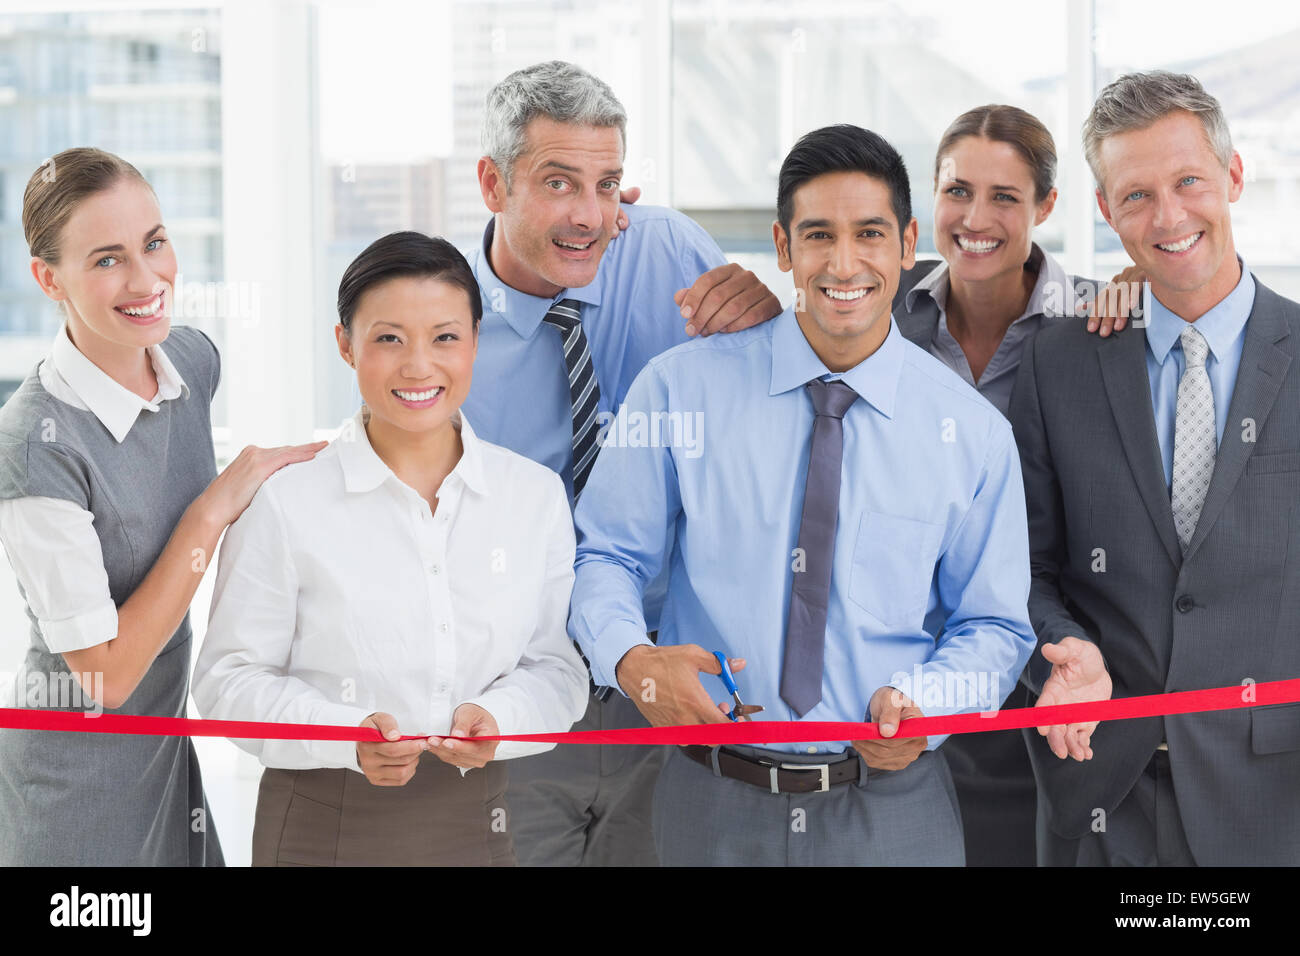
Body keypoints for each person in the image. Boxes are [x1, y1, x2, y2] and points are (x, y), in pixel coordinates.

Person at [568, 123, 1037, 866]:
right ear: (784, 249)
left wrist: (933, 705)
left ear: (907, 242)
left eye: (870, 234)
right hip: (708, 804)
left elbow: (994, 626)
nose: (843, 263)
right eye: (818, 235)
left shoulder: (971, 432)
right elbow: (605, 556)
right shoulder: (678, 389)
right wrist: (631, 658)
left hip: (894, 814)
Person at [463, 60, 781, 866]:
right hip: (517, 697)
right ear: (492, 184)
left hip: (670, 685)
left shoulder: (669, 250)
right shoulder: (441, 316)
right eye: (558, 183)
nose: (590, 216)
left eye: (607, 185)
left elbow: (769, 417)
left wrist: (770, 321)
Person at [192, 231, 588, 867]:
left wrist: (497, 716)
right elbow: (226, 682)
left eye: (445, 337)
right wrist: (344, 735)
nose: (418, 365)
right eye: (388, 338)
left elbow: (558, 670)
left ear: (476, 343)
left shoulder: (533, 498)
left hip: (477, 820)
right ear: (345, 345)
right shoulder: (287, 501)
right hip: (322, 824)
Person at [0, 147, 325, 865]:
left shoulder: (192, 362)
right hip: (72, 781)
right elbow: (105, 677)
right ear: (49, 278)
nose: (148, 280)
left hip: (167, 757)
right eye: (108, 259)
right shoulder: (34, 443)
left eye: (154, 243)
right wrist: (211, 513)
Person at [1010, 70, 1300, 865]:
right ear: (1104, 211)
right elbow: (1020, 565)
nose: (1169, 216)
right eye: (1136, 195)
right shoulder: (1059, 361)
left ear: (1233, 178)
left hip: (1274, 803)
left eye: (1189, 182)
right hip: (1103, 789)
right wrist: (1064, 653)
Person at [891, 105, 1089, 866]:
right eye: (957, 191)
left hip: (1050, 664)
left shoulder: (1105, 320)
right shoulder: (881, 312)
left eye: (1005, 197)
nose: (976, 218)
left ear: (1044, 207)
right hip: (906, 670)